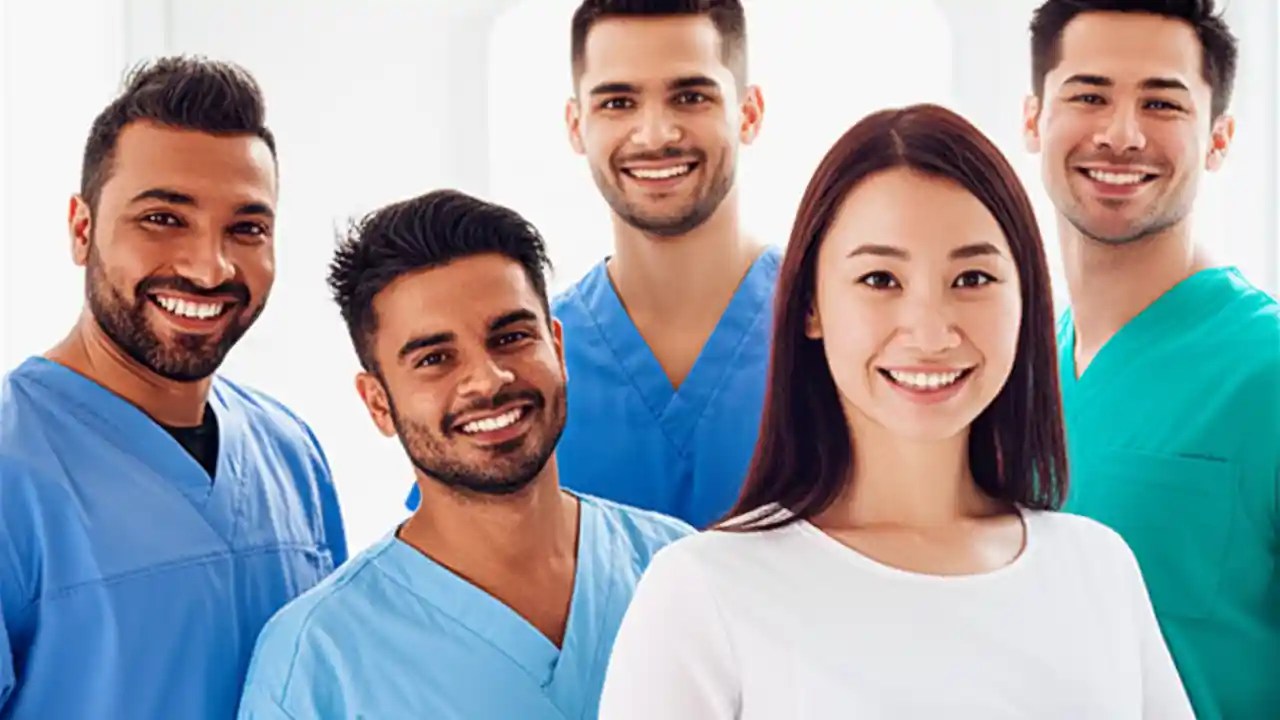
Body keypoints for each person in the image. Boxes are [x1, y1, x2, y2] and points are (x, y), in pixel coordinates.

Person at [597, 104, 1194, 719]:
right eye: (881, 280)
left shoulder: (1097, 569)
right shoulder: (702, 593)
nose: (931, 332)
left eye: (972, 278)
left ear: (1028, 300)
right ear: (811, 308)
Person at [237, 190, 692, 719]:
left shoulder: (677, 571)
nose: (488, 378)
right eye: (435, 358)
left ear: (559, 348)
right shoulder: (317, 659)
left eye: (512, 337)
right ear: (378, 403)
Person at [0, 57, 347, 720]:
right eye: (163, 219)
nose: (208, 267)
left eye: (247, 228)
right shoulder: (14, 470)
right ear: (82, 229)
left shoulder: (291, 453)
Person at [406, 0, 775, 529]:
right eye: (618, 103)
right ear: (576, 125)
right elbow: (454, 561)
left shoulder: (834, 332)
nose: (654, 135)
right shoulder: (519, 363)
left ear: (748, 113)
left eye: (690, 96)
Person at [1022, 2, 1279, 717]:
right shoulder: (1015, 378)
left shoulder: (1267, 372)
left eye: (1162, 102)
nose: (1120, 134)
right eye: (1089, 95)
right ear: (1033, 118)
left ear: (1219, 138)